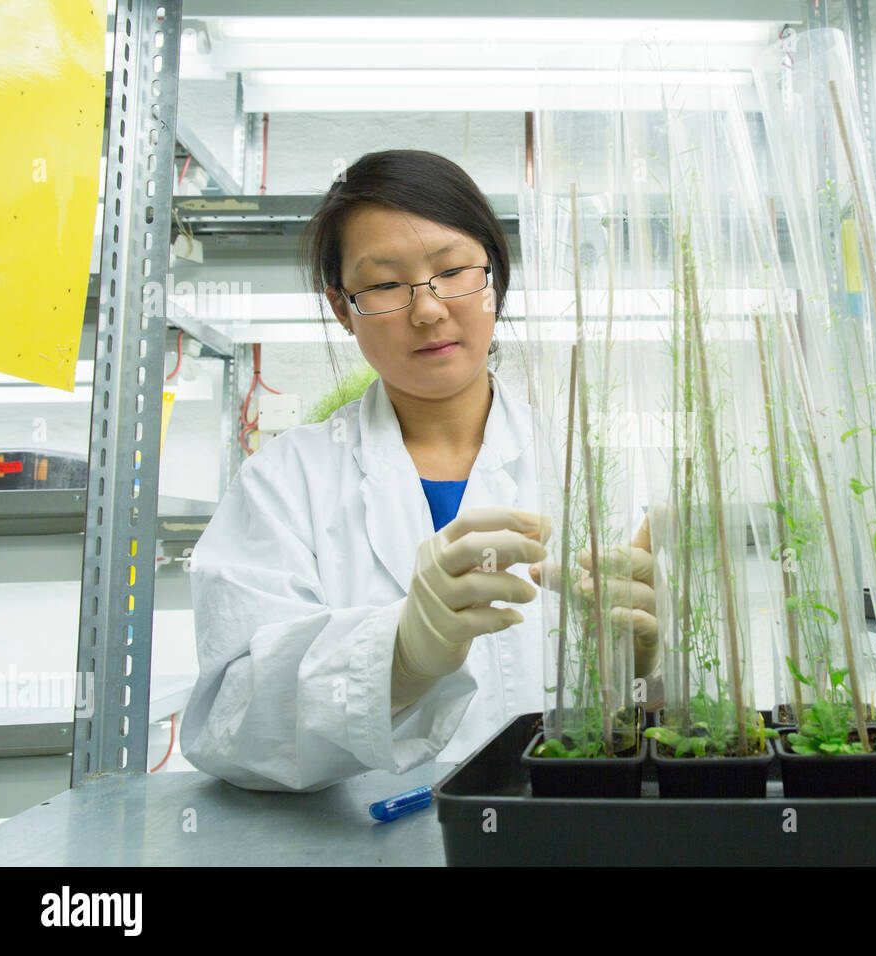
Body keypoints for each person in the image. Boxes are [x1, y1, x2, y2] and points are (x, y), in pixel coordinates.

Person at [181, 150, 657, 791]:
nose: (428, 309)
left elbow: (683, 724)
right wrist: (397, 658)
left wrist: (645, 668)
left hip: (564, 828)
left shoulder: (588, 468)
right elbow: (228, 728)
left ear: (495, 280)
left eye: (454, 271)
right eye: (383, 285)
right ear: (342, 309)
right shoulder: (285, 484)